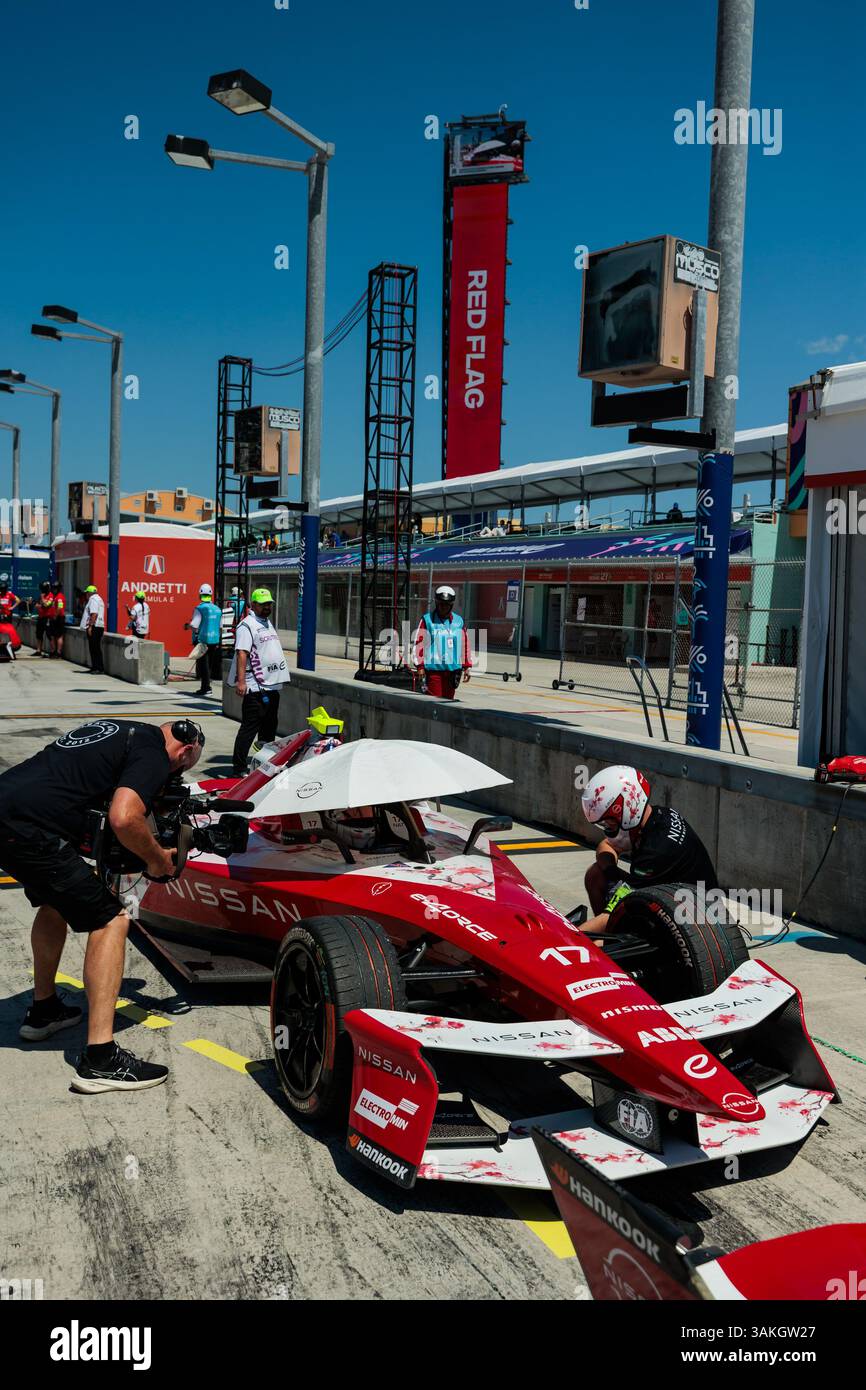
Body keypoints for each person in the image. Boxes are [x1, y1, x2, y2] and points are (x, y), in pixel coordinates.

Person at [0, 717, 204, 1091]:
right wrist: (157, 856)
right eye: (181, 769)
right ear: (187, 751)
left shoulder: (122, 730)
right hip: (30, 830)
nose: (170, 777)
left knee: (53, 903)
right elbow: (125, 818)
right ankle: (100, 1060)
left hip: (8, 810)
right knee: (111, 919)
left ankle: (44, 1012)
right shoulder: (155, 755)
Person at [580, 765, 718, 934]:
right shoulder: (659, 815)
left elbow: (613, 912)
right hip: (676, 900)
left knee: (600, 946)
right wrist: (611, 871)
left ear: (625, 812)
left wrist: (570, 936)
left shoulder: (655, 852)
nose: (607, 828)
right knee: (596, 874)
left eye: (609, 823)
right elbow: (606, 846)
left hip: (695, 923)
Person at [229, 587, 289, 776]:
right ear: (253, 605)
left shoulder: (267, 623)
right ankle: (238, 768)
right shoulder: (246, 626)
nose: (267, 607)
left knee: (269, 729)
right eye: (263, 604)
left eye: (269, 604)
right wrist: (241, 682)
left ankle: (266, 765)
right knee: (249, 729)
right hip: (255, 687)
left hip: (271, 686)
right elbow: (242, 653)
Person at [413, 584, 472, 700]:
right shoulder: (427, 620)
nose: (443, 607)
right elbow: (419, 643)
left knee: (448, 703)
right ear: (436, 603)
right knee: (434, 702)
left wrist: (467, 666)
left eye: (446, 605)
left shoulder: (458, 621)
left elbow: (464, 644)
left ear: (451, 605)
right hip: (434, 672)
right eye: (440, 604)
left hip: (453, 672)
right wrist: (420, 666)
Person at [184, 583, 222, 697]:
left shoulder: (200, 608)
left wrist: (187, 626)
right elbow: (220, 627)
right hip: (214, 640)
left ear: (200, 595)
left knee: (203, 665)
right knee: (209, 665)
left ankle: (206, 688)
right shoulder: (217, 609)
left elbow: (195, 626)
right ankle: (205, 687)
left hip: (202, 640)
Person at [80, 584, 105, 673]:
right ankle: (95, 667)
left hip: (94, 626)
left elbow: (94, 614)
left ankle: (98, 668)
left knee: (94, 648)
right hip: (99, 626)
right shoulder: (99, 599)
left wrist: (90, 626)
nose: (86, 595)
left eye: (87, 593)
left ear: (90, 593)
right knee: (95, 648)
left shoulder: (93, 599)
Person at [33, 580, 55, 657]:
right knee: (38, 634)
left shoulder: (51, 595)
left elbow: (46, 605)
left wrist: (42, 600)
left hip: (48, 618)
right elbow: (36, 605)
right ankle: (38, 650)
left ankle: (53, 651)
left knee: (49, 634)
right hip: (41, 617)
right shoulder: (41, 595)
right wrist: (40, 604)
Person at [50, 582, 67, 658]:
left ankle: (58, 652)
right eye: (53, 588)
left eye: (55, 588)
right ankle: (53, 651)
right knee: (53, 635)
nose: (54, 589)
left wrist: (55, 615)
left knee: (59, 635)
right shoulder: (55, 596)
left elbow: (60, 607)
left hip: (59, 618)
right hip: (54, 618)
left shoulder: (60, 596)